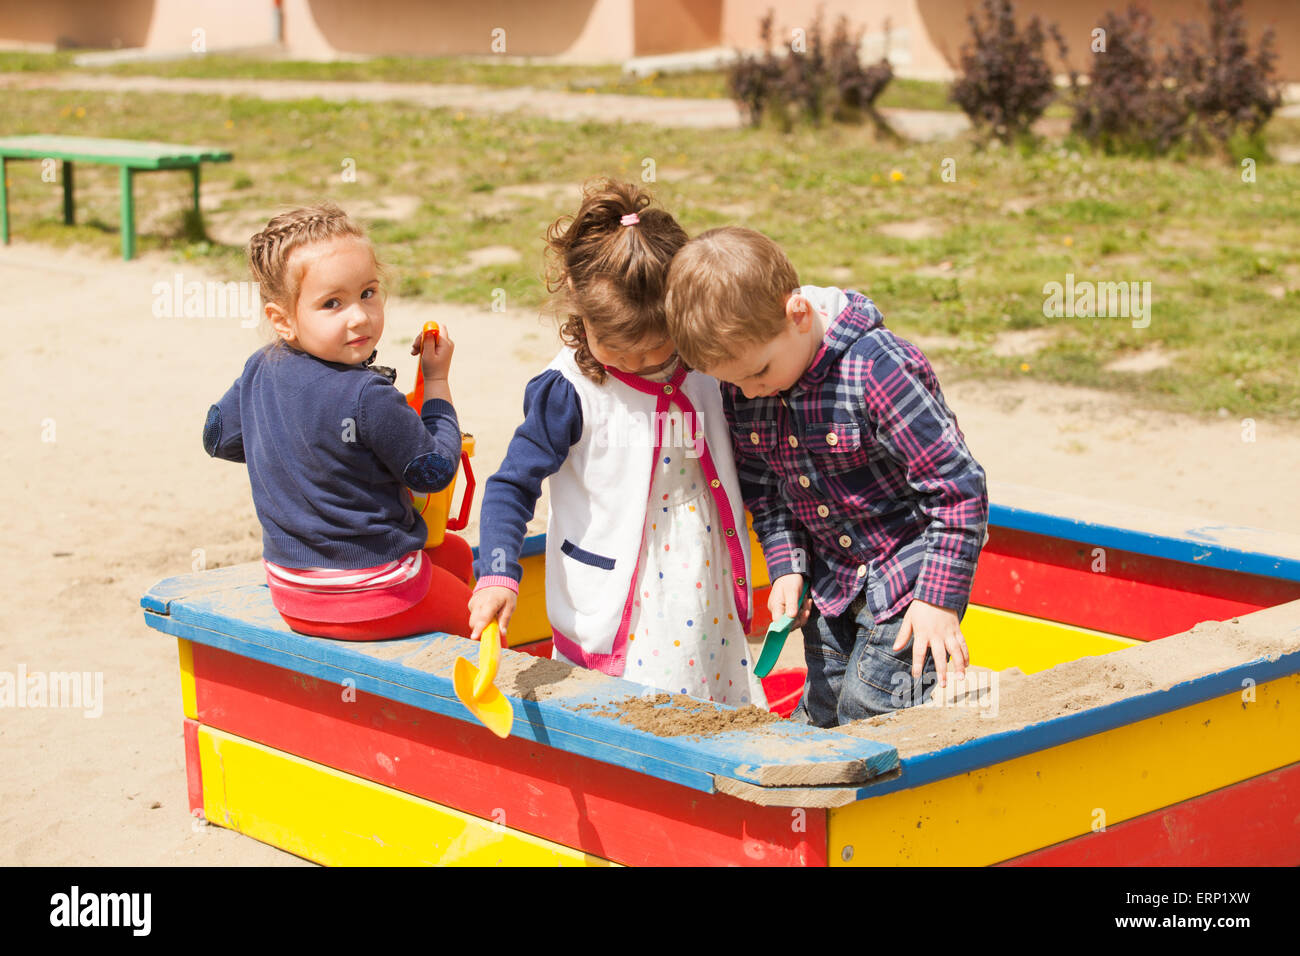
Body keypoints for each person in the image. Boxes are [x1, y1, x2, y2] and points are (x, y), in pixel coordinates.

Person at [664, 226, 988, 726]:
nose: (749, 393)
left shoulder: (877, 369)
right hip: (833, 581)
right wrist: (787, 566)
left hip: (910, 573)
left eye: (759, 373)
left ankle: (903, 787)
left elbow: (958, 488)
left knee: (875, 708)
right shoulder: (748, 385)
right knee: (826, 702)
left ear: (798, 315)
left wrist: (938, 600)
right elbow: (767, 492)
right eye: (734, 383)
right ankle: (806, 792)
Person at [468, 180, 766, 707]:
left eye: (659, 346)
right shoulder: (569, 391)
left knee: (708, 694)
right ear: (579, 315)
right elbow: (511, 486)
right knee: (634, 705)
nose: (646, 363)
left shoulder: (707, 361)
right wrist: (496, 572)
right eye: (622, 350)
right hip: (617, 582)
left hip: (701, 565)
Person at [203, 202, 473, 640]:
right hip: (375, 591)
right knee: (489, 623)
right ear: (282, 319)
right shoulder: (368, 395)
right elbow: (433, 472)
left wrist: (295, 452)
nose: (360, 316)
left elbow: (217, 437)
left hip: (294, 591)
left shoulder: (260, 367)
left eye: (368, 292)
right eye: (332, 303)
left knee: (455, 555)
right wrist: (436, 381)